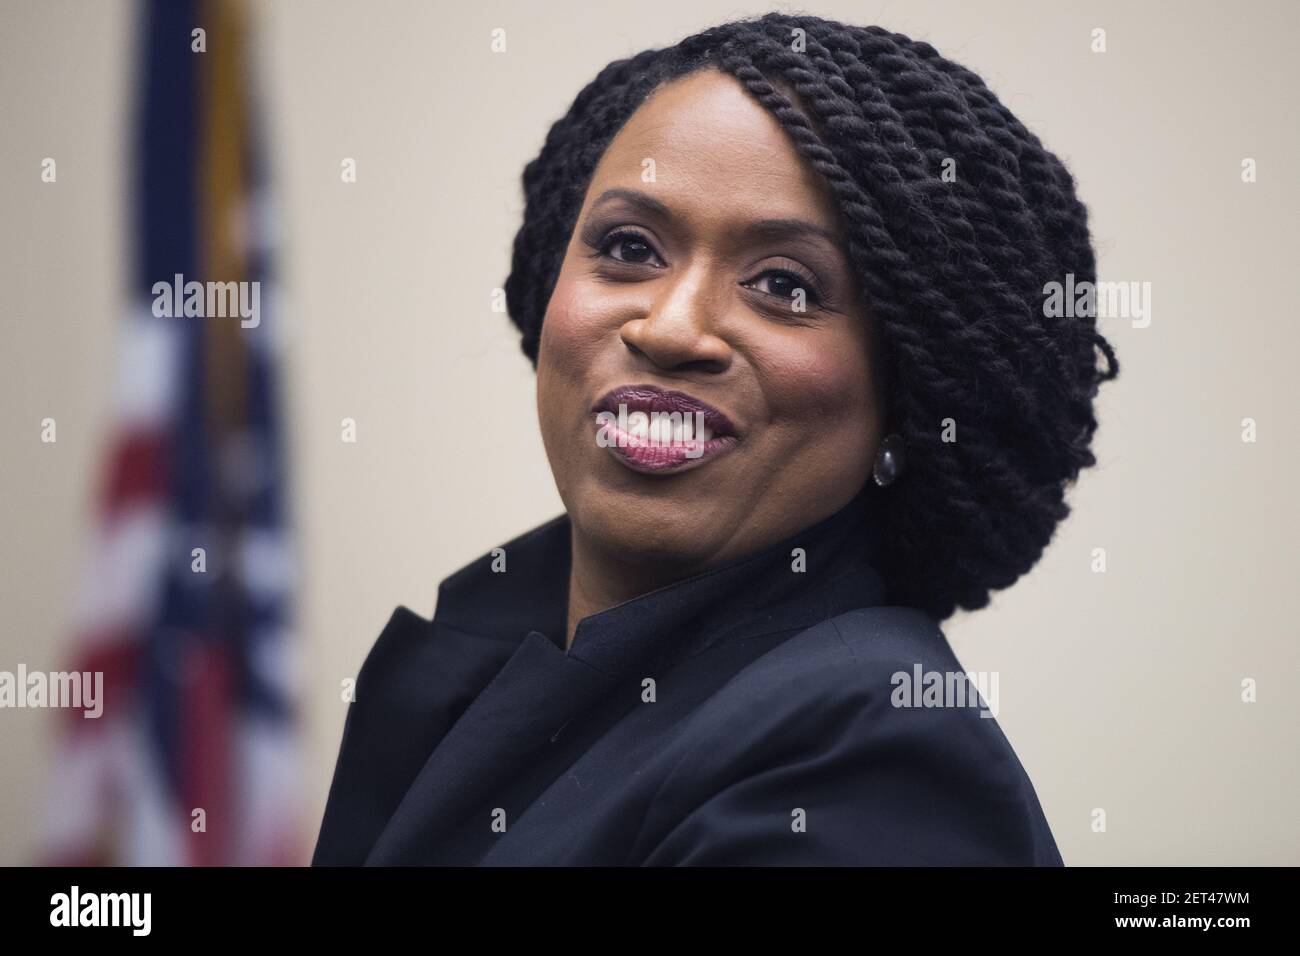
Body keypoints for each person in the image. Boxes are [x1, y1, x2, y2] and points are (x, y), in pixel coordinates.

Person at [312, 12, 1117, 866]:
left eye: (784, 285)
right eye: (629, 247)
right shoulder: (504, 659)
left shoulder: (866, 761)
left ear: (906, 398)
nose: (669, 326)